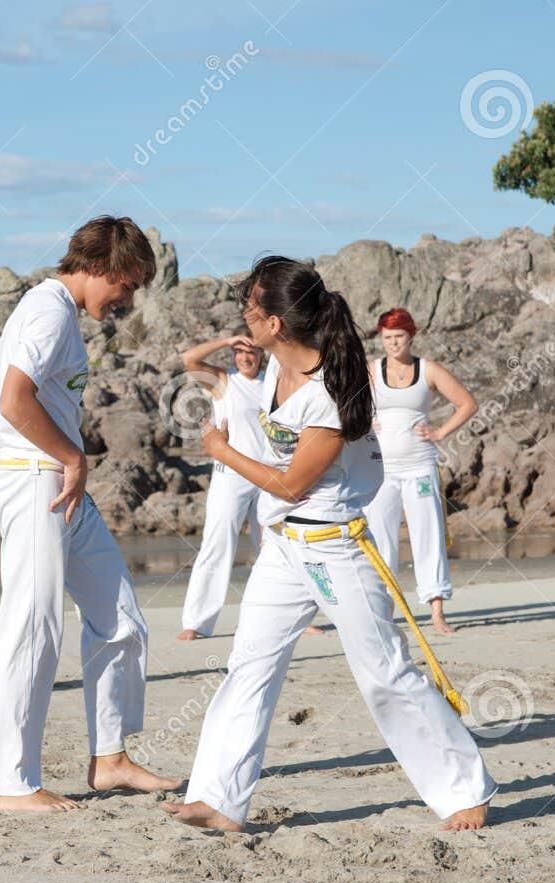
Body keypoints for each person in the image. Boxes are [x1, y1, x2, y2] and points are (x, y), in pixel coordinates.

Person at [161, 257, 496, 833]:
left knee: (384, 672)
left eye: (251, 307)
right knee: (248, 666)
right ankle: (219, 798)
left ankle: (466, 790)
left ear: (275, 325)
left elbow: (293, 482)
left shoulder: (332, 390)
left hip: (338, 547)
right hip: (285, 545)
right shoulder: (271, 372)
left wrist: (218, 451)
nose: (243, 314)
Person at [0, 215, 182, 813]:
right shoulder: (48, 311)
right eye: (126, 285)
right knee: (34, 626)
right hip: (38, 482)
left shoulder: (48, 308)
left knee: (118, 613)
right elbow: (12, 395)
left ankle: (110, 759)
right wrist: (63, 455)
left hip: (53, 482)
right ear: (101, 269)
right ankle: (10, 784)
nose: (127, 299)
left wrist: (18, 446)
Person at [361, 308, 479, 634]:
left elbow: (467, 404)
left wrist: (440, 433)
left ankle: (436, 611)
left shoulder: (428, 369)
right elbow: (345, 404)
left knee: (429, 536)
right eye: (387, 338)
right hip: (381, 469)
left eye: (398, 337)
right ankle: (383, 611)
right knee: (380, 538)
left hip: (420, 466)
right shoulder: (371, 371)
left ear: (410, 337)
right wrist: (365, 423)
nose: (393, 343)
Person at [175, 333, 267, 641]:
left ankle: (292, 617)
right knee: (217, 544)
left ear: (261, 353)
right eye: (239, 352)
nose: (245, 357)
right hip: (231, 474)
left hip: (267, 474)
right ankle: (196, 622)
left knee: (275, 547)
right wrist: (228, 340)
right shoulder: (224, 381)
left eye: (250, 351)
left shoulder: (274, 382)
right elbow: (189, 359)